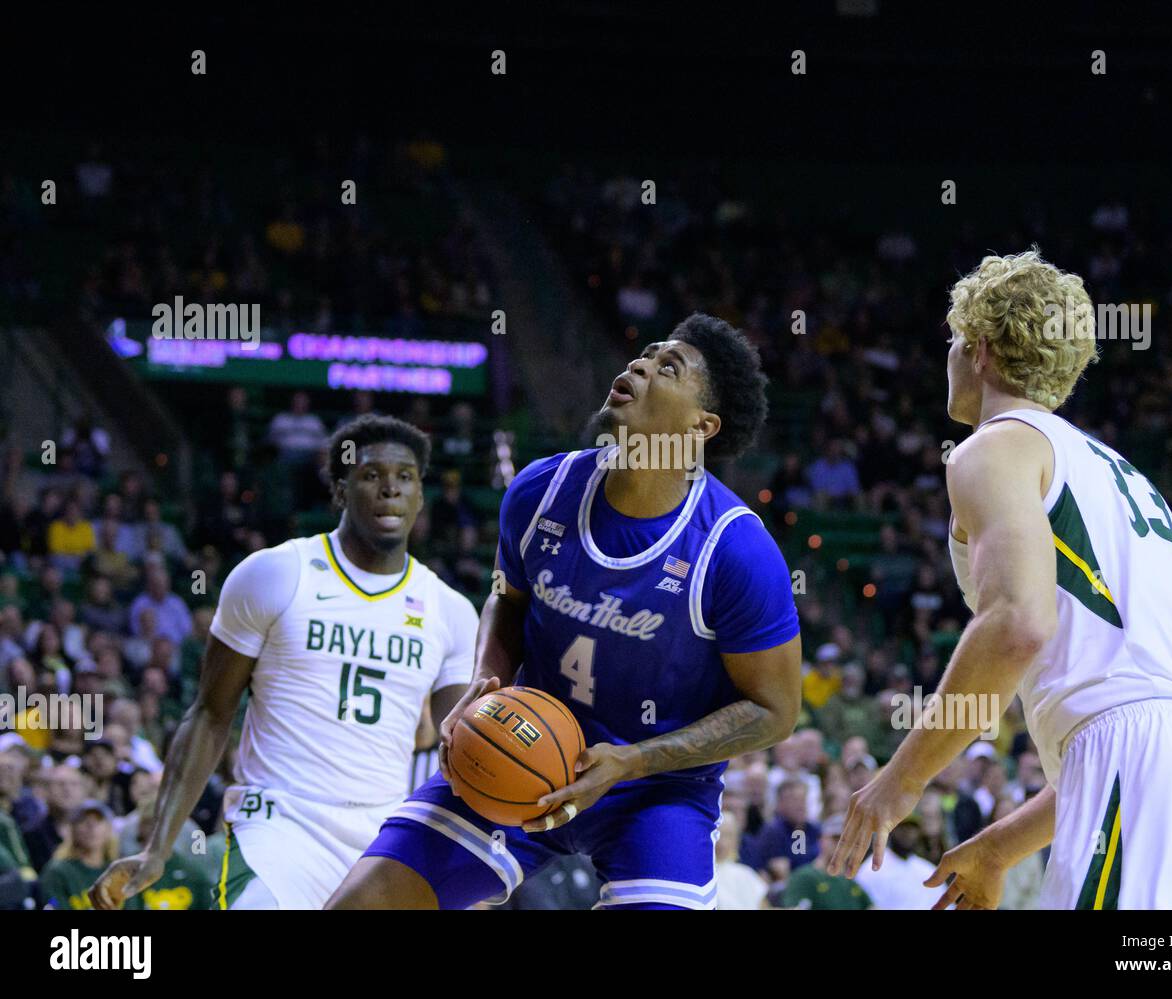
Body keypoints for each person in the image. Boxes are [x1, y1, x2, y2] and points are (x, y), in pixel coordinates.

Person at [829, 249, 1172, 909]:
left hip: (1146, 771)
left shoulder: (993, 446)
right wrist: (1000, 845)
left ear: (979, 349)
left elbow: (1019, 625)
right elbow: (1131, 709)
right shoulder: (1121, 472)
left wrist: (901, 780)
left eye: (953, 341)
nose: (948, 358)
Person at [329, 313, 802, 910]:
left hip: (656, 795)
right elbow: (507, 598)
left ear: (701, 426)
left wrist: (635, 760)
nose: (638, 365)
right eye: (645, 354)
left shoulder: (734, 550)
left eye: (668, 367)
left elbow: (775, 711)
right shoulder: (540, 492)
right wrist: (485, 677)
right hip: (521, 751)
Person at [90, 415, 477, 910]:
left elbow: (458, 752)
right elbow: (209, 714)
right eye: (371, 475)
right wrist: (157, 848)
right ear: (340, 489)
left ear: (421, 496)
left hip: (385, 837)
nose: (390, 490)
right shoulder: (274, 574)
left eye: (405, 477)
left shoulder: (450, 610)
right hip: (277, 823)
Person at [783, 814, 871, 910]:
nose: (841, 845)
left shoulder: (849, 881)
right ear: (822, 840)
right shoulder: (805, 877)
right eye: (836, 838)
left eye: (848, 841)